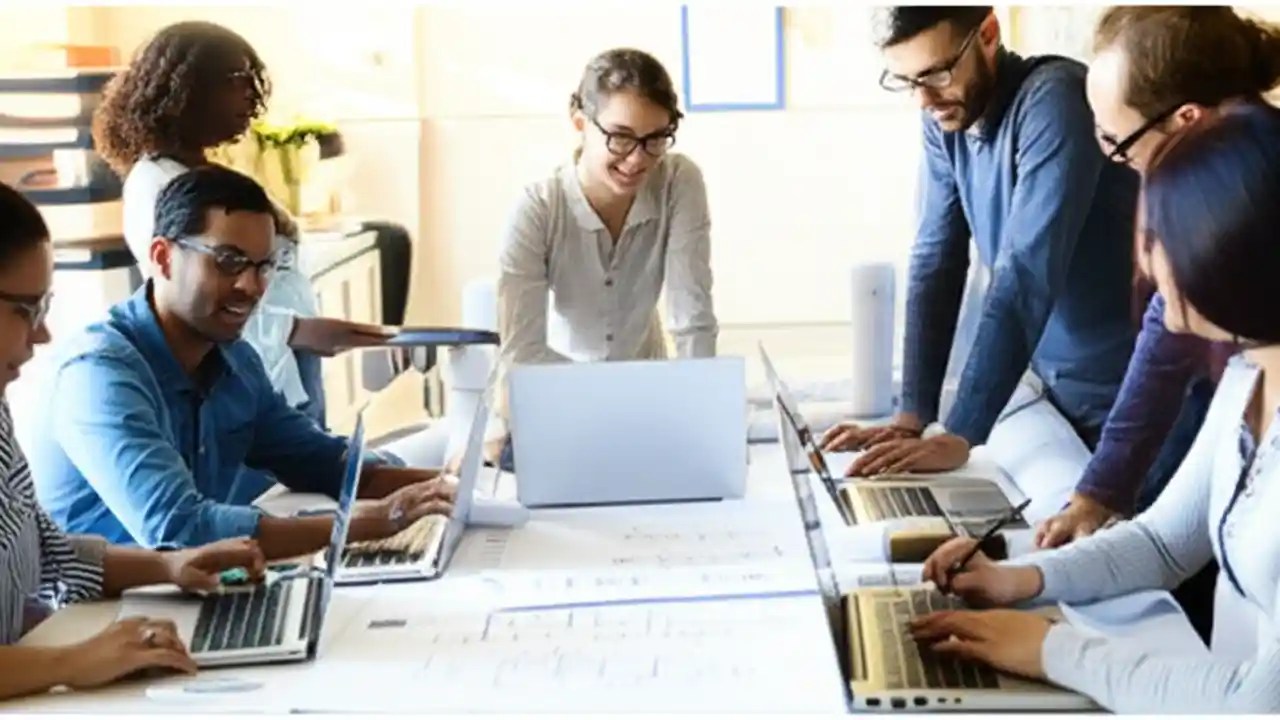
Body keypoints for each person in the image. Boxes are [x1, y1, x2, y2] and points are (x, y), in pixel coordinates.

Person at [914, 102, 1280, 714]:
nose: (1144, 262)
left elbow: (1256, 702)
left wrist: (1051, 651)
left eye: (1158, 237)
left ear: (1229, 248)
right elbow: (1165, 544)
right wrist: (1022, 579)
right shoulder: (1249, 375)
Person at [27, 166, 455, 557]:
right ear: (162, 258)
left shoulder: (234, 359)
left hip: (187, 592)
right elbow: (179, 528)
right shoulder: (99, 373)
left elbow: (322, 462)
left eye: (263, 266)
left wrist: (445, 487)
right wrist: (369, 523)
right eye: (228, 262)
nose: (250, 286)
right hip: (93, 616)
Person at [93, 19, 449, 470]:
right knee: (278, 499)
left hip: (280, 362)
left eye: (250, 80)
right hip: (251, 367)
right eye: (234, 80)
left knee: (326, 477)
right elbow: (187, 297)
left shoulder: (202, 172)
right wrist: (295, 330)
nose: (248, 95)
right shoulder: (157, 184)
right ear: (186, 89)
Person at [820, 7, 1138, 479]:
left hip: (1133, 389)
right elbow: (936, 258)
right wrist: (913, 417)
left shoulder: (1055, 100)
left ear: (988, 34)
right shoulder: (943, 116)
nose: (924, 100)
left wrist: (961, 434)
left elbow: (1025, 274)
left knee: (1138, 541)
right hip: (1062, 393)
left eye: (937, 73)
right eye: (907, 82)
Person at [0, 180, 270, 697]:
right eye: (25, 310)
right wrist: (70, 663)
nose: (42, 335)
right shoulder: (98, 367)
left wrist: (170, 565)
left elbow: (47, 551)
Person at [1035, 6, 1280, 548]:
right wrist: (1097, 495)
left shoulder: (1243, 198)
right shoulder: (1246, 381)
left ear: (1187, 120)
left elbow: (1168, 337)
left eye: (1118, 144)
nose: (1113, 158)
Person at [493, 47, 718, 466]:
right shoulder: (539, 209)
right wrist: (618, 399)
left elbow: (693, 316)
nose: (637, 159)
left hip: (653, 406)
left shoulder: (678, 181)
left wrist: (701, 412)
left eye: (655, 139)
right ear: (581, 124)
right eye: (620, 136)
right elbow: (521, 353)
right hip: (560, 406)